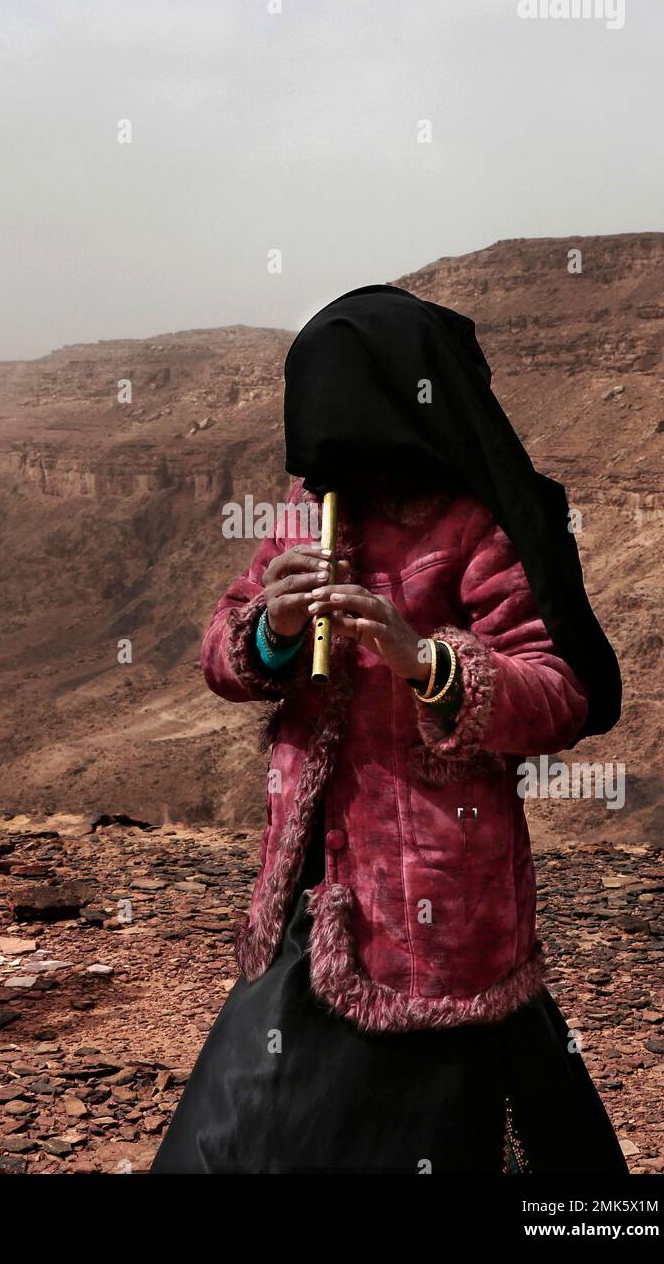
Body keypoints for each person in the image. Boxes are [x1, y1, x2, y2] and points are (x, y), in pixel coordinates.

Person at [150, 284, 626, 1175]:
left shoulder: (478, 524)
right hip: (310, 891)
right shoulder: (309, 509)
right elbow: (222, 655)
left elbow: (561, 695)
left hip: (439, 905)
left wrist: (428, 663)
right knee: (246, 1127)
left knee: (421, 1122)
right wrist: (271, 630)